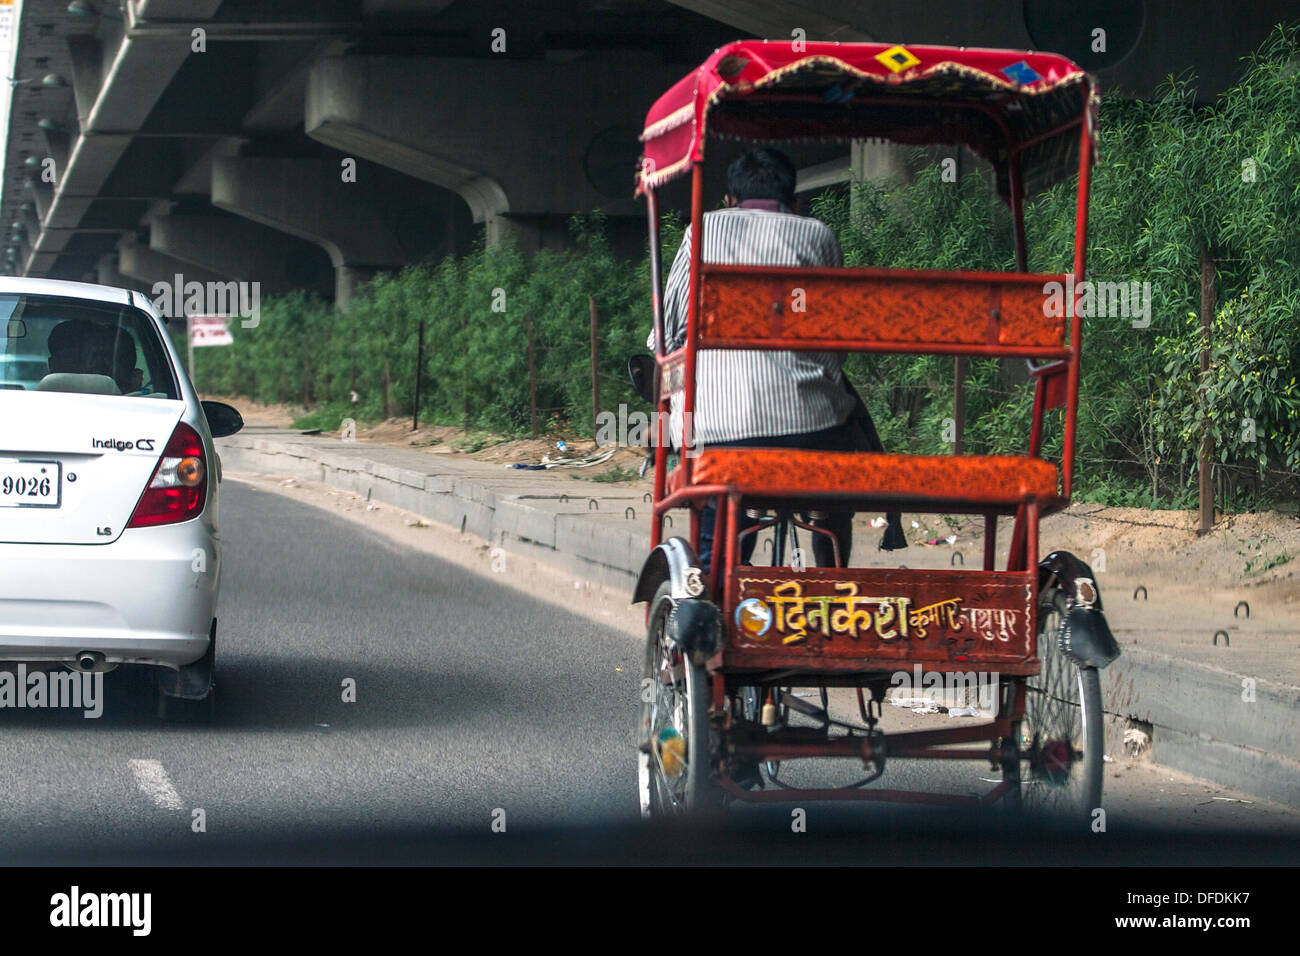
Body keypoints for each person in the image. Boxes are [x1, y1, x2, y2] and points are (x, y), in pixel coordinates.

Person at [648, 146, 906, 573]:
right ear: (795, 202)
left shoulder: (702, 231)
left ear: (730, 200)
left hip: (717, 432)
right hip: (813, 433)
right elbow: (832, 347)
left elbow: (669, 337)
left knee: (713, 486)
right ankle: (830, 576)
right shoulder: (818, 235)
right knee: (837, 429)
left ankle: (716, 578)